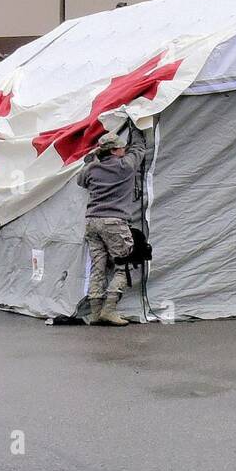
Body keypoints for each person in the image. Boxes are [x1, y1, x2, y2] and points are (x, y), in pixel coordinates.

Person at [76, 128, 147, 326]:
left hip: (92, 221)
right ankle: (109, 310)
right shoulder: (125, 165)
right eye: (121, 147)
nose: (124, 149)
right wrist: (137, 127)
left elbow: (80, 181)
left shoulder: (92, 169)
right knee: (124, 265)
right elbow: (140, 148)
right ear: (115, 150)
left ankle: (96, 313)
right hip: (114, 221)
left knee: (98, 267)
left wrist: (91, 160)